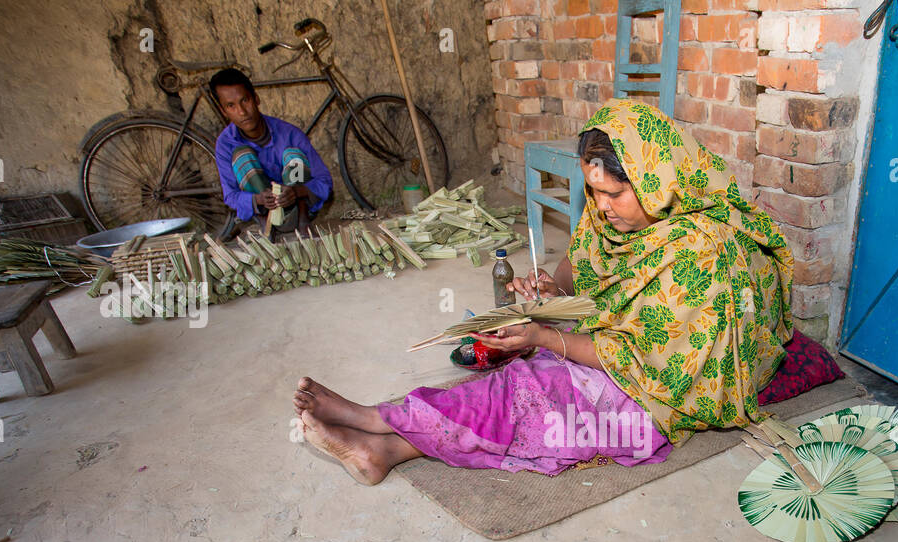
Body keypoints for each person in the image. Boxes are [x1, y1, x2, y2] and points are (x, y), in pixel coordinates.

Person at [294, 98, 795, 485]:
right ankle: (386, 444)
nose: (602, 207)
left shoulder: (702, 253)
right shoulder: (616, 211)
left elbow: (646, 362)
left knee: (537, 391)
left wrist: (545, 336)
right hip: (624, 348)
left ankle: (378, 424)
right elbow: (581, 263)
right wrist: (551, 288)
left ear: (655, 180)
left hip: (671, 390)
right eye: (593, 193)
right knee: (530, 382)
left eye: (614, 194)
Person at [210, 68, 333, 233]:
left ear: (256, 98)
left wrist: (296, 192)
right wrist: (258, 199)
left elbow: (325, 182)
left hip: (297, 208)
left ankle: (303, 222)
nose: (242, 112)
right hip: (263, 211)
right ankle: (266, 226)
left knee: (293, 154)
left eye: (245, 100)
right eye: (231, 106)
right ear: (224, 112)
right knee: (242, 156)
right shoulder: (226, 144)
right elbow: (230, 196)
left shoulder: (289, 134)